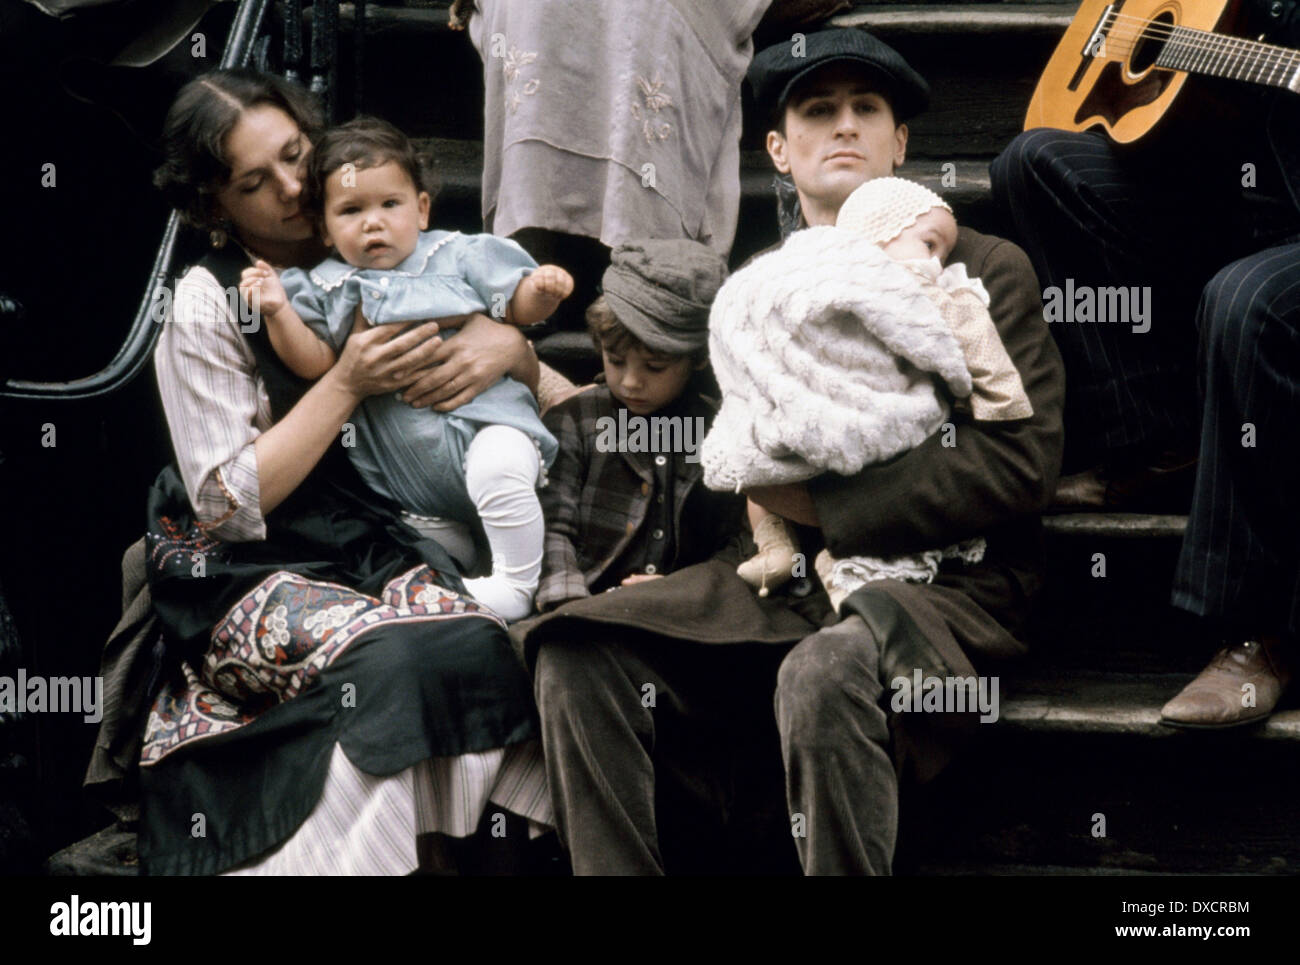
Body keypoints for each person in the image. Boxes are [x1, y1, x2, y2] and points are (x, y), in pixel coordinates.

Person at [525, 28, 1064, 874]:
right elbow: (738, 455)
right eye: (819, 111)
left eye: (866, 110)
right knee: (575, 645)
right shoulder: (755, 286)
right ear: (778, 149)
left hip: (949, 584)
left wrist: (828, 510)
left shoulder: (982, 269)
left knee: (825, 672)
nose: (844, 125)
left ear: (901, 142)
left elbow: (1019, 463)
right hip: (783, 575)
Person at [121, 68, 562, 874]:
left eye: (297, 154)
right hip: (254, 561)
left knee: (472, 637)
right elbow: (226, 502)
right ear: (215, 205)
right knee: (395, 656)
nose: (293, 187)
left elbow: (541, 383)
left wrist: (515, 348)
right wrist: (345, 382)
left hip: (375, 540)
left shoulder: (388, 236)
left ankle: (449, 854)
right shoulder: (211, 301)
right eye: (256, 181)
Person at [990, 0, 1300, 727]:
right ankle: (1161, 442)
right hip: (1230, 191)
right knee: (1035, 164)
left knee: (1246, 299)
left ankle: (1262, 633)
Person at [239, 116, 572, 621]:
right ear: (325, 229)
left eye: (389, 205)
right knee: (420, 547)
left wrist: (538, 294)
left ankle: (518, 583)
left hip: (485, 427)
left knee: (500, 470)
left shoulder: (456, 254)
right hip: (408, 480)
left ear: (420, 209)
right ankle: (458, 590)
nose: (372, 222)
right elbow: (315, 362)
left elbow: (511, 306)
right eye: (350, 210)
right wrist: (279, 312)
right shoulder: (326, 286)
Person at [708, 177, 1031, 603]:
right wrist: (975, 386)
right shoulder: (863, 278)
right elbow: (945, 341)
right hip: (788, 423)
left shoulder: (985, 267)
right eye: (930, 245)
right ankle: (776, 547)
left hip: (866, 470)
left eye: (946, 253)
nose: (937, 263)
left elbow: (1019, 465)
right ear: (881, 233)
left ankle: (841, 565)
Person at [525, 239, 743, 615]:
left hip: (681, 612)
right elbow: (550, 526)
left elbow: (738, 540)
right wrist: (572, 603)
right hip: (583, 610)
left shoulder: (720, 431)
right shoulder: (576, 420)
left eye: (654, 368)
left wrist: (684, 589)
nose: (630, 382)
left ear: (698, 360)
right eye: (615, 361)